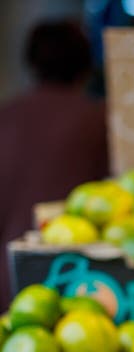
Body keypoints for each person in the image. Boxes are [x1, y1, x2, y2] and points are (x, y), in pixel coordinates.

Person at [0, 19, 109, 308]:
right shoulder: (99, 121)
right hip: (79, 284)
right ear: (86, 65)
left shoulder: (7, 116)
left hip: (8, 280)